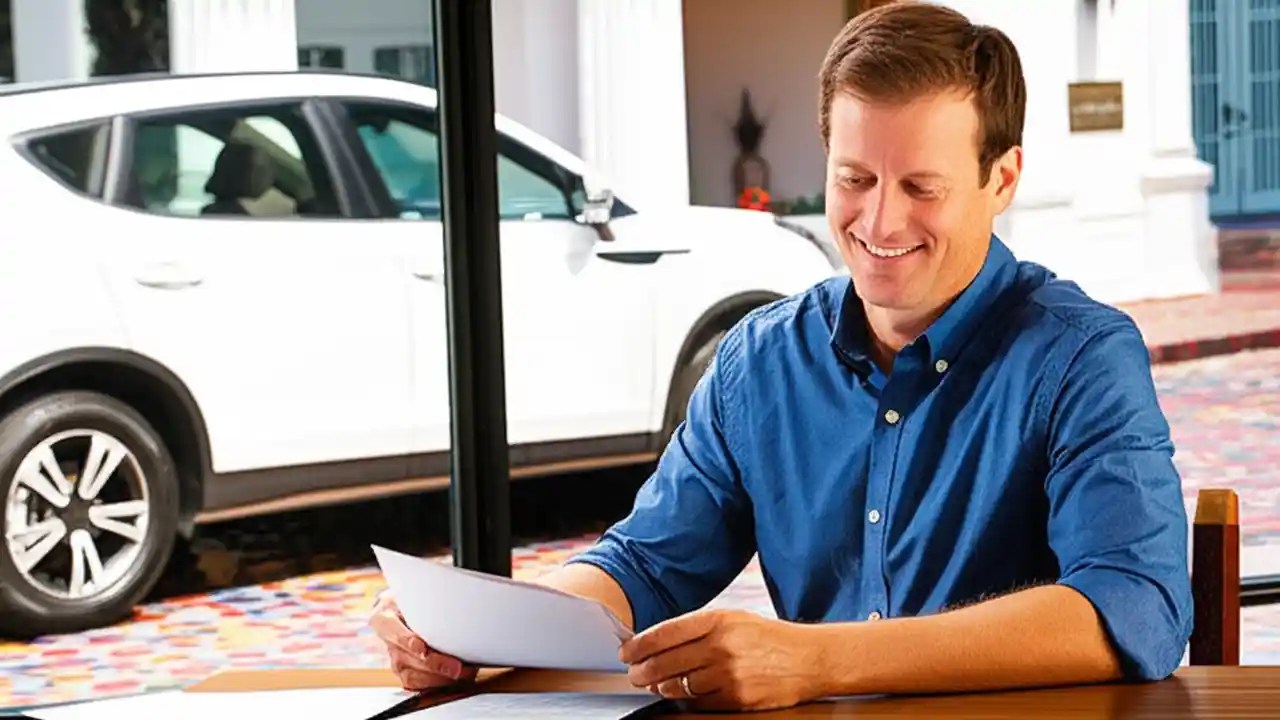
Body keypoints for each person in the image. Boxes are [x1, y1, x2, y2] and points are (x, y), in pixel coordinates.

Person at [370, 1, 1193, 712]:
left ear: (1002, 178)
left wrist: (813, 660)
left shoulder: (1082, 356)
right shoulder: (758, 362)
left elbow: (1135, 606)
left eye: (921, 188)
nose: (878, 221)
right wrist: (475, 634)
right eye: (854, 178)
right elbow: (645, 565)